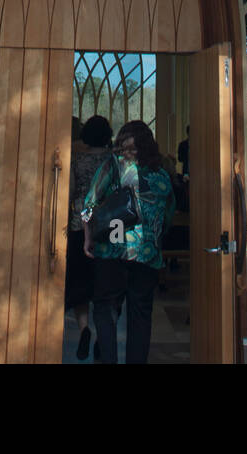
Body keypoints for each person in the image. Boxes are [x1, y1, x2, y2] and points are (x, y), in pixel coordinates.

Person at [82, 120, 175, 365]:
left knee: (105, 311)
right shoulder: (162, 175)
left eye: (128, 148)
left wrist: (88, 237)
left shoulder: (114, 165)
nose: (126, 154)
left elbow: (89, 204)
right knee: (141, 316)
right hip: (146, 256)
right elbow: (167, 218)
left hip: (112, 250)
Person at [65, 114, 112, 360]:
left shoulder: (76, 160)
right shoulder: (111, 161)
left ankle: (84, 328)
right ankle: (104, 335)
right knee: (104, 287)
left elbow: (71, 192)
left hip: (77, 225)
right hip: (106, 228)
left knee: (79, 284)